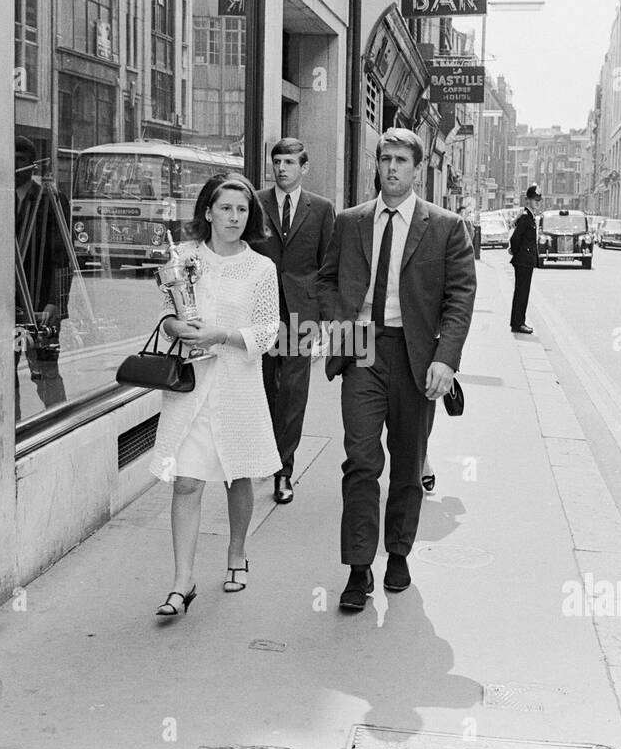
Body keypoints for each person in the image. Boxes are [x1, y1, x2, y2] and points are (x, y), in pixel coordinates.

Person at [317, 128, 477, 611]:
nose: (391, 169)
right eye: (385, 159)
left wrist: (446, 359)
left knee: (408, 462)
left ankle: (399, 554)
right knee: (361, 461)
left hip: (416, 356)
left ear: (416, 167)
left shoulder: (445, 226)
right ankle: (358, 566)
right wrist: (337, 319)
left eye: (402, 161)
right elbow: (325, 279)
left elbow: (460, 297)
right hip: (362, 350)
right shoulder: (350, 222)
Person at [147, 174, 281, 617]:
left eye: (242, 210)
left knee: (237, 475)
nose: (234, 217)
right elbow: (168, 314)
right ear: (208, 211)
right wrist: (177, 328)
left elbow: (268, 331)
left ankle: (236, 552)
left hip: (238, 385)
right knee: (186, 482)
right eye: (225, 208)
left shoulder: (261, 268)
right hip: (193, 386)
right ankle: (182, 581)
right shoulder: (183, 258)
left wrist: (222, 334)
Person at [250, 138, 335, 505]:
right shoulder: (255, 202)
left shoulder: (322, 209)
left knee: (293, 394)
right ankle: (262, 456)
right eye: (277, 161)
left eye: (288, 162)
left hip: (302, 314)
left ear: (304, 167)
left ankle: (284, 471)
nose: (281, 168)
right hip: (261, 312)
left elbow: (328, 266)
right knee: (264, 389)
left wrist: (328, 318)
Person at [14, 135, 73, 421]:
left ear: (31, 165)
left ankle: (59, 423)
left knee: (45, 371)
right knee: (4, 372)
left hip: (40, 307)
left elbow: (63, 257)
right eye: (9, 161)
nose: (13, 167)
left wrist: (55, 303)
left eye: (19, 161)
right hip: (8, 307)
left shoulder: (49, 199)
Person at [508, 185, 541, 333]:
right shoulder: (526, 217)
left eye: (538, 200)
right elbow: (515, 238)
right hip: (523, 261)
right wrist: (516, 253)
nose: (537, 203)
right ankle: (518, 323)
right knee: (522, 292)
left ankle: (518, 322)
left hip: (525, 260)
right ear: (527, 200)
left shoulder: (529, 216)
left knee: (522, 292)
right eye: (535, 200)